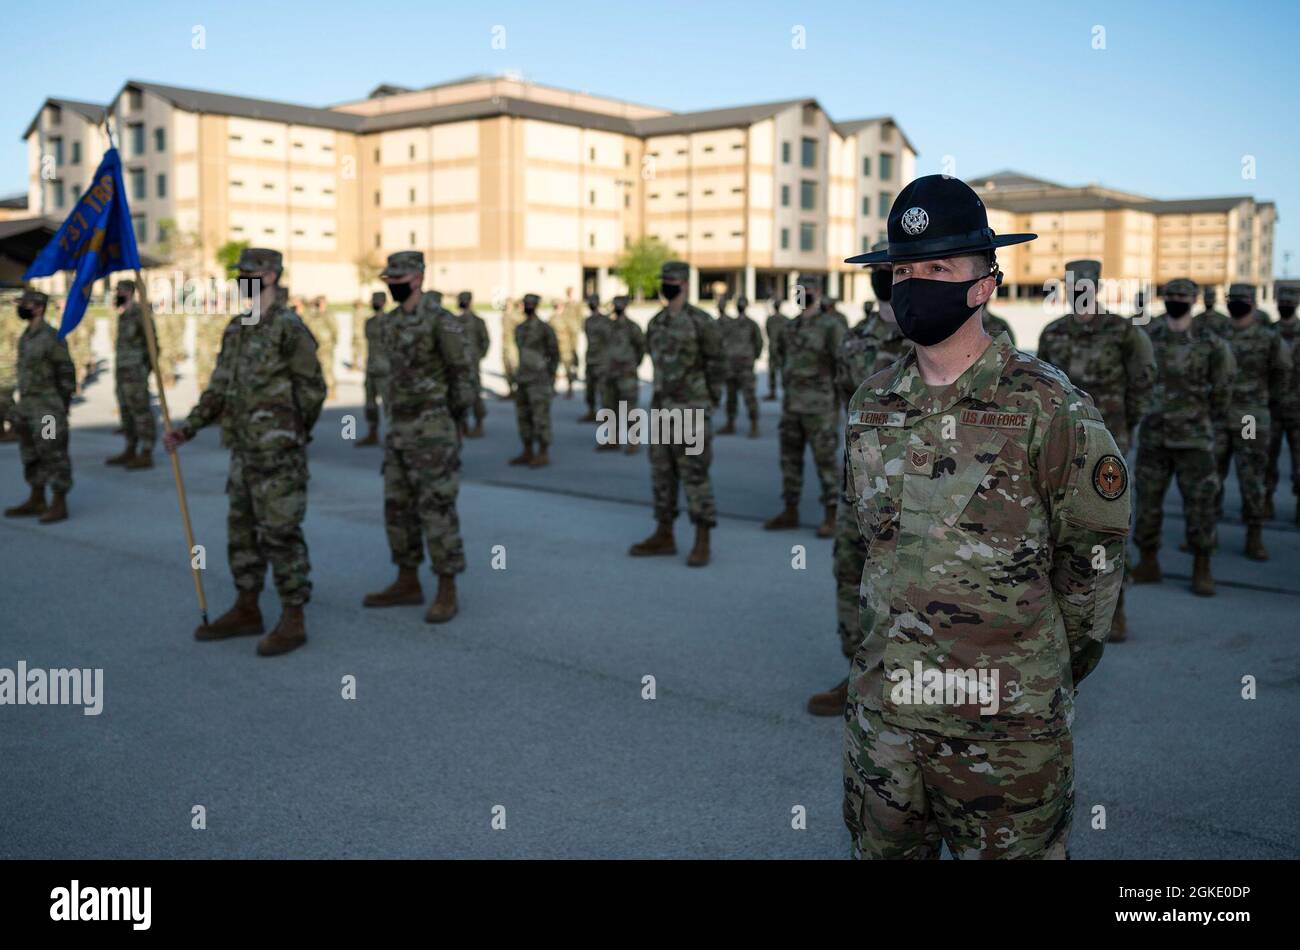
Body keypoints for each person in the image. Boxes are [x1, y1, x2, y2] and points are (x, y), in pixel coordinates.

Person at [839, 175, 1129, 859]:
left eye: (938, 268)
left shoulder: (1050, 408)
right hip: (885, 728)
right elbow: (867, 548)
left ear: (984, 286)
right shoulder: (872, 401)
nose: (915, 283)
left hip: (1005, 737)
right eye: (903, 269)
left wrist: (1038, 674)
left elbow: (1091, 573)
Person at [163, 248, 325, 656]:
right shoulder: (237, 328)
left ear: (270, 276)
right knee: (242, 532)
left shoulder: (289, 328)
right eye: (240, 273)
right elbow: (219, 388)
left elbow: (312, 388)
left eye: (248, 273)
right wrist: (189, 428)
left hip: (278, 453)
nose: (242, 280)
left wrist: (290, 433)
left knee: (281, 533)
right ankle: (247, 607)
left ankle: (294, 617)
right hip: (243, 452)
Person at [809, 242, 911, 717]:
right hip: (859, 487)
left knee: (919, 588)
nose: (884, 276)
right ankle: (858, 678)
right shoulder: (853, 340)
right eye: (879, 270)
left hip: (921, 491)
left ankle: (912, 690)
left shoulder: (933, 338)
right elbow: (842, 404)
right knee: (849, 577)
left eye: (894, 269)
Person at [1035, 258, 1155, 639]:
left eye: (1087, 286)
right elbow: (1039, 392)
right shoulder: (1052, 334)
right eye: (1074, 286)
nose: (1080, 293)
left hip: (1108, 444)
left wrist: (1125, 427)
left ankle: (1115, 609)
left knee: (1108, 525)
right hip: (1060, 446)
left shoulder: (1122, 332)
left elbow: (1142, 381)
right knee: (1057, 527)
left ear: (1097, 288)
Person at [360, 252, 477, 624]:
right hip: (399, 431)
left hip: (433, 431)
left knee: (437, 507)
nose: (393, 284)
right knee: (397, 508)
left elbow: (463, 376)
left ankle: (447, 587)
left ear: (419, 278)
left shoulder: (443, 322)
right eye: (389, 278)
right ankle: (407, 580)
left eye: (400, 277)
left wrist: (456, 420)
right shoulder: (388, 324)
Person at [1131, 278, 1234, 595]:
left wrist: (1205, 417)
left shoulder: (1211, 341)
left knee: (1200, 506)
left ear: (1194, 300)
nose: (1177, 300)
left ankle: (1202, 567)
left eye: (1183, 295)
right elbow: (1135, 378)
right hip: (1154, 436)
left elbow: (1224, 386)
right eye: (1172, 295)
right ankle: (1149, 561)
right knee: (1147, 504)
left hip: (1195, 439)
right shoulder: (1147, 336)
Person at [628, 260, 723, 567]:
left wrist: (709, 401)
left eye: (671, 281)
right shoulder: (656, 322)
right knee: (661, 474)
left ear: (683, 284)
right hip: (661, 411)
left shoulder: (701, 321)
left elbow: (716, 363)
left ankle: (703, 538)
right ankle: (664, 533)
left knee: (694, 475)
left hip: (692, 412)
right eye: (664, 280)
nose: (667, 285)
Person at [1211, 283, 1290, 559]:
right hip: (1220, 415)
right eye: (1232, 299)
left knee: (1251, 476)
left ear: (1253, 303)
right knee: (1211, 477)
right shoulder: (1217, 335)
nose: (1236, 303)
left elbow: (1283, 374)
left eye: (1241, 299)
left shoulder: (1269, 338)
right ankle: (1206, 533)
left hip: (1249, 417)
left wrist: (1264, 400)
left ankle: (1254, 535)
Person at [764, 275, 844, 538]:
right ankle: (790, 509)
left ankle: (832, 515)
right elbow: (780, 358)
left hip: (820, 408)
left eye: (807, 289)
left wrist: (837, 402)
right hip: (792, 406)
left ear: (818, 291)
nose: (803, 294)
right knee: (789, 461)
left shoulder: (831, 326)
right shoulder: (789, 328)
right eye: (798, 290)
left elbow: (841, 366)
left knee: (826, 463)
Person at [4, 289, 76, 523]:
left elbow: (66, 373)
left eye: (25, 303)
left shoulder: (52, 337)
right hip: (26, 408)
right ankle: (37, 498)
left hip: (47, 411)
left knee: (52, 452)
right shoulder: (27, 336)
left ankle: (59, 502)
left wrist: (60, 406)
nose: (21, 307)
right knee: (30, 453)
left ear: (38, 307)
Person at [105, 279, 158, 470]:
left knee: (141, 412)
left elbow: (153, 345)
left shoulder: (139, 314)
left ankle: (146, 451)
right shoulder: (123, 315)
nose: (116, 293)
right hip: (122, 371)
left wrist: (146, 370)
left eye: (119, 290)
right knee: (126, 411)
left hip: (136, 372)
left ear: (129, 292)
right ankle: (130, 448)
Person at [510, 294, 559, 467]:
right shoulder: (520, 328)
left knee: (540, 417)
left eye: (531, 304)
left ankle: (543, 452)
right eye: (526, 303)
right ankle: (527, 450)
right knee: (523, 416)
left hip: (539, 380)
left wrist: (550, 376)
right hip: (523, 378)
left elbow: (554, 354)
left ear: (536, 306)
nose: (528, 306)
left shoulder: (545, 328)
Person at [1266, 285, 1300, 520]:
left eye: (1290, 301)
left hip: (1298, 411)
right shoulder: (1268, 333)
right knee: (1265, 458)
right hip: (1270, 410)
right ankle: (1264, 501)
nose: (1285, 304)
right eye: (1282, 301)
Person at [597, 294, 646, 453]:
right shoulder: (606, 326)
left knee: (629, 408)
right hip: (608, 373)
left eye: (620, 304)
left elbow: (641, 348)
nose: (617, 307)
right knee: (608, 407)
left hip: (626, 373)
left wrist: (631, 365)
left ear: (625, 306)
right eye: (615, 304)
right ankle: (612, 439)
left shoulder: (632, 327)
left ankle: (634, 441)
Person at [717, 295, 763, 437]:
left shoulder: (748, 324)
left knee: (747, 396)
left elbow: (758, 343)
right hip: (735, 364)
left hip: (742, 365)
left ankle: (753, 425)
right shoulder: (734, 323)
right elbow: (758, 343)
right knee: (734, 396)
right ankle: (732, 423)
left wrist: (751, 358)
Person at [355, 291, 390, 447]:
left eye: (378, 301)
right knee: (370, 404)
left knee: (389, 404)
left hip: (386, 369)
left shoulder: (391, 322)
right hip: (372, 367)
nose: (376, 303)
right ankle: (372, 432)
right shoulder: (369, 322)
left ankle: (393, 434)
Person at [455, 291, 490, 437]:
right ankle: (463, 425)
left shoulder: (477, 321)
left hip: (471, 363)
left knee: (475, 394)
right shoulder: (454, 321)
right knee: (460, 394)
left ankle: (478, 424)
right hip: (460, 363)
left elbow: (485, 341)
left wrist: (478, 356)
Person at [551, 288, 583, 399]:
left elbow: (574, 332)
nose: (557, 308)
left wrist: (573, 347)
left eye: (558, 306)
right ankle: (552, 388)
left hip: (566, 347)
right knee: (553, 367)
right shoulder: (552, 318)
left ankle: (570, 389)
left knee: (568, 368)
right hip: (555, 347)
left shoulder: (568, 318)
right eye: (555, 306)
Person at [581, 294, 608, 422]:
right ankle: (591, 411)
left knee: (603, 389)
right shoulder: (587, 321)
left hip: (602, 359)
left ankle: (605, 414)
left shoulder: (606, 320)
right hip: (590, 358)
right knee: (590, 388)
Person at [764, 296, 786, 401]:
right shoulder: (785, 319)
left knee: (774, 371)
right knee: (780, 371)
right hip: (780, 348)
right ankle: (782, 392)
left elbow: (768, 332)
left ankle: (773, 393)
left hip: (775, 347)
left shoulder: (771, 319)